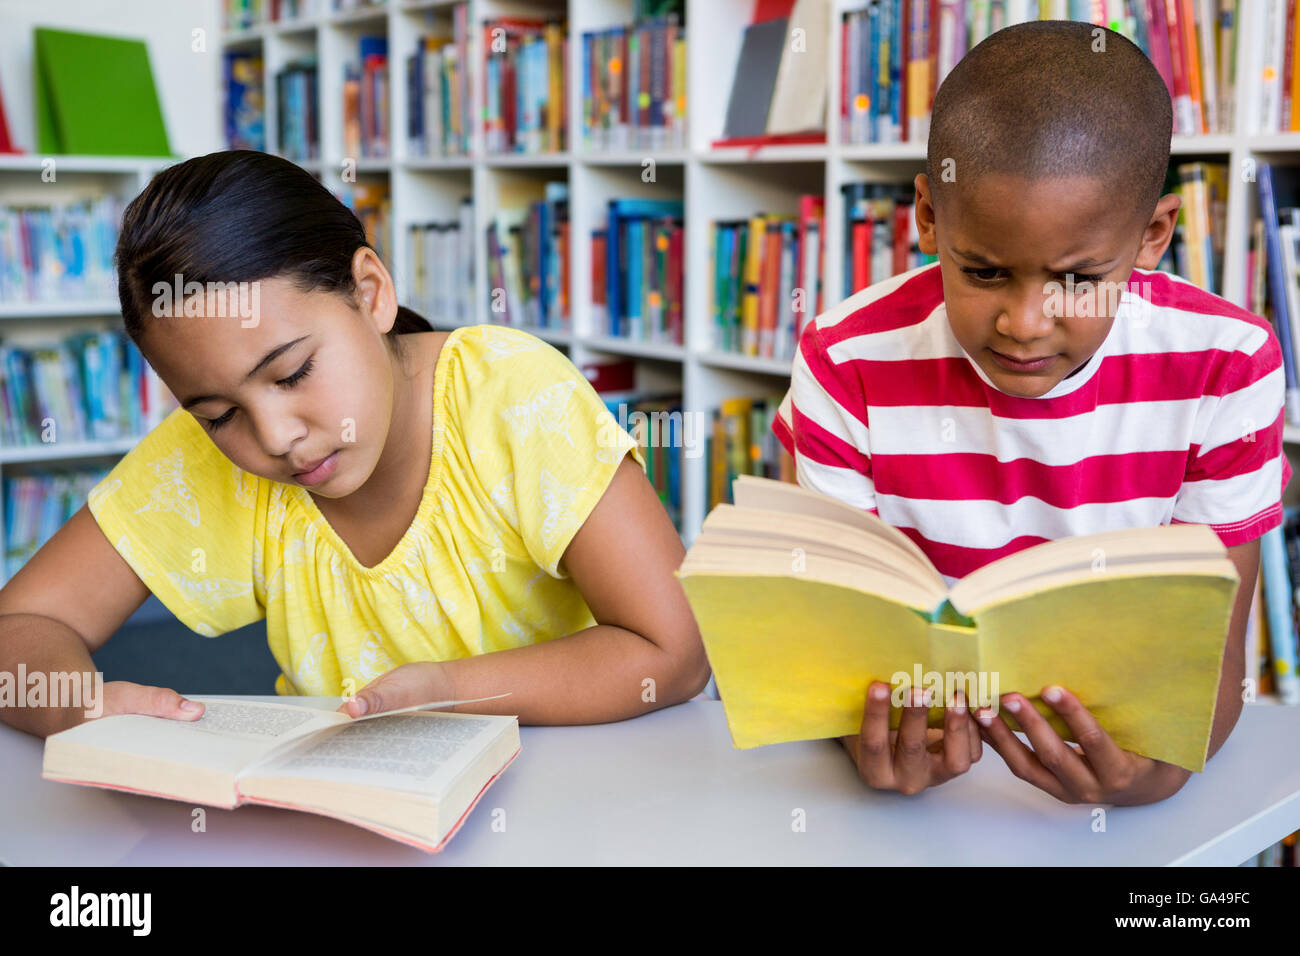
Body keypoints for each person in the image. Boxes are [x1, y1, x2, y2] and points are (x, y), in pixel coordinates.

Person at [0, 149, 708, 738]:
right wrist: (75, 706)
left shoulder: (513, 396)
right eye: (218, 415)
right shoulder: (212, 460)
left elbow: (673, 652)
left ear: (370, 292)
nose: (275, 438)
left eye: (292, 372)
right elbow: (22, 624)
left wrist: (447, 691)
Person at [773, 20, 1290, 805]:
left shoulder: (1226, 363)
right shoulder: (845, 360)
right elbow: (829, 629)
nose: (1024, 322)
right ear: (928, 218)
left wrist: (1167, 763)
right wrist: (860, 735)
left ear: (1152, 237)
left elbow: (1209, 637)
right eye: (983, 271)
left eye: (1077, 281)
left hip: (1118, 768)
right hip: (928, 792)